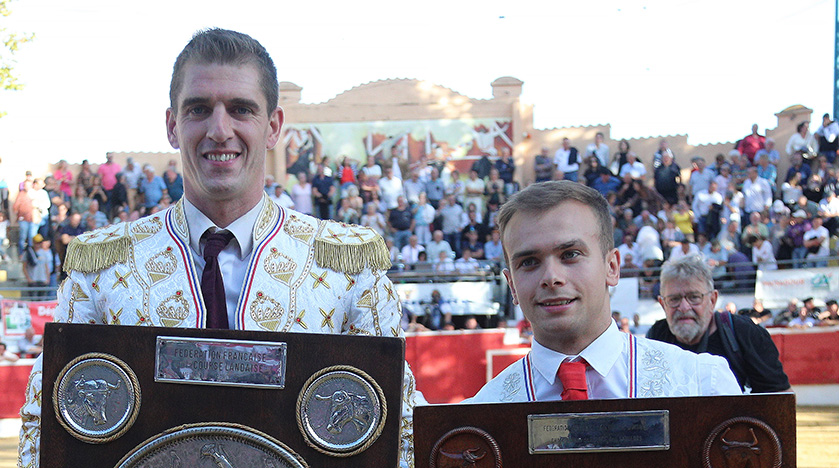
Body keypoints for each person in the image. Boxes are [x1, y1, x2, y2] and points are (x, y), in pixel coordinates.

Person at [18, 28, 421, 468]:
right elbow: (47, 427)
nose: (219, 129)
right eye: (199, 110)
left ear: (273, 127)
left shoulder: (347, 263)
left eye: (241, 109)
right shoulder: (103, 264)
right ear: (172, 126)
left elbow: (398, 430)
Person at [466, 181, 740, 403]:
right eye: (528, 262)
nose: (551, 278)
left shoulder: (703, 385)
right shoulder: (480, 416)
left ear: (611, 267)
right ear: (512, 285)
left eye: (570, 254)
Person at [647, 255, 791, 393]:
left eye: (694, 297)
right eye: (674, 299)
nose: (684, 307)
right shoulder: (655, 339)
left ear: (712, 300)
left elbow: (780, 399)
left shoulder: (745, 333)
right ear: (662, 303)